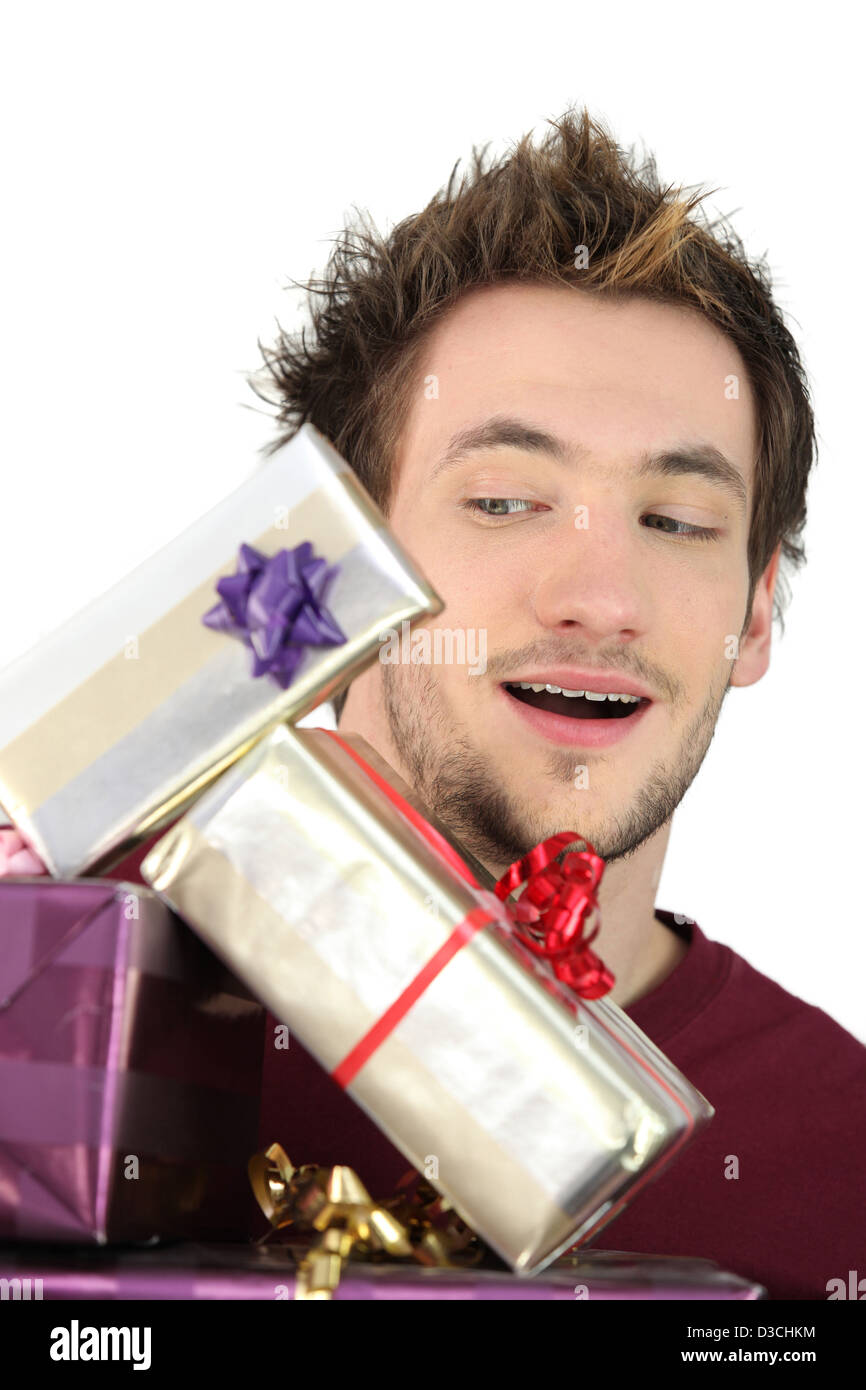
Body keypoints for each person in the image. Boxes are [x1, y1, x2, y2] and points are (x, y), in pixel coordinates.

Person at [248, 107, 865, 1301]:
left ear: (749, 617)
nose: (599, 596)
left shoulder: (841, 1166)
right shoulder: (52, 1000)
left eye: (676, 522)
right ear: (326, 570)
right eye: (503, 500)